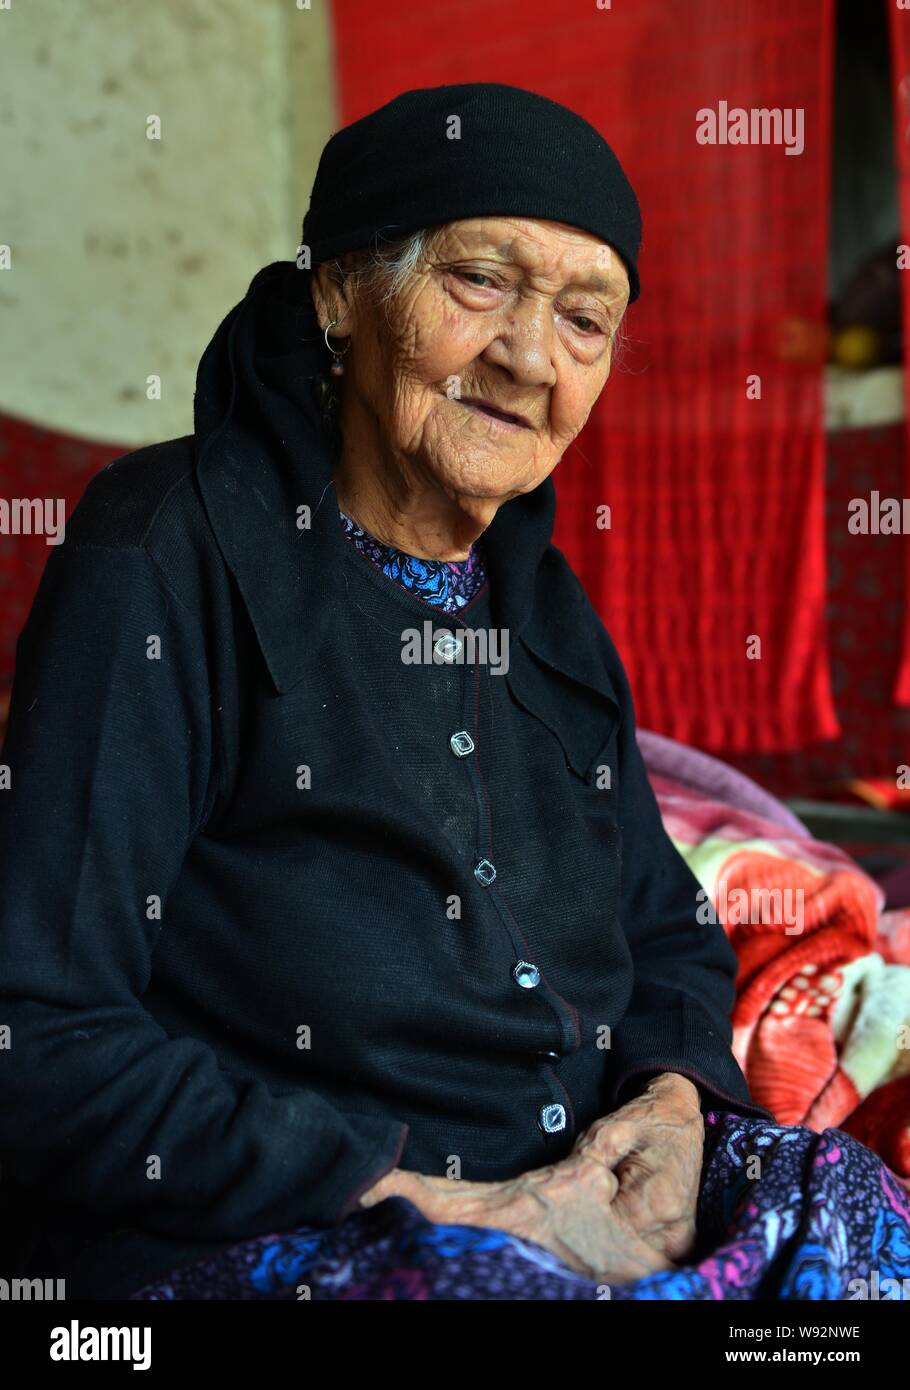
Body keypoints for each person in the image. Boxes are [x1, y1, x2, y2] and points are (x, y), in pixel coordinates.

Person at [1, 82, 908, 1301]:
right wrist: (447, 1202)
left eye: (586, 321)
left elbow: (663, 928)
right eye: (479, 281)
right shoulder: (164, 551)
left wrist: (674, 1104)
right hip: (301, 1217)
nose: (530, 356)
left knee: (858, 1237)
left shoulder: (540, 607)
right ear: (340, 293)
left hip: (583, 1182)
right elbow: (42, 1033)